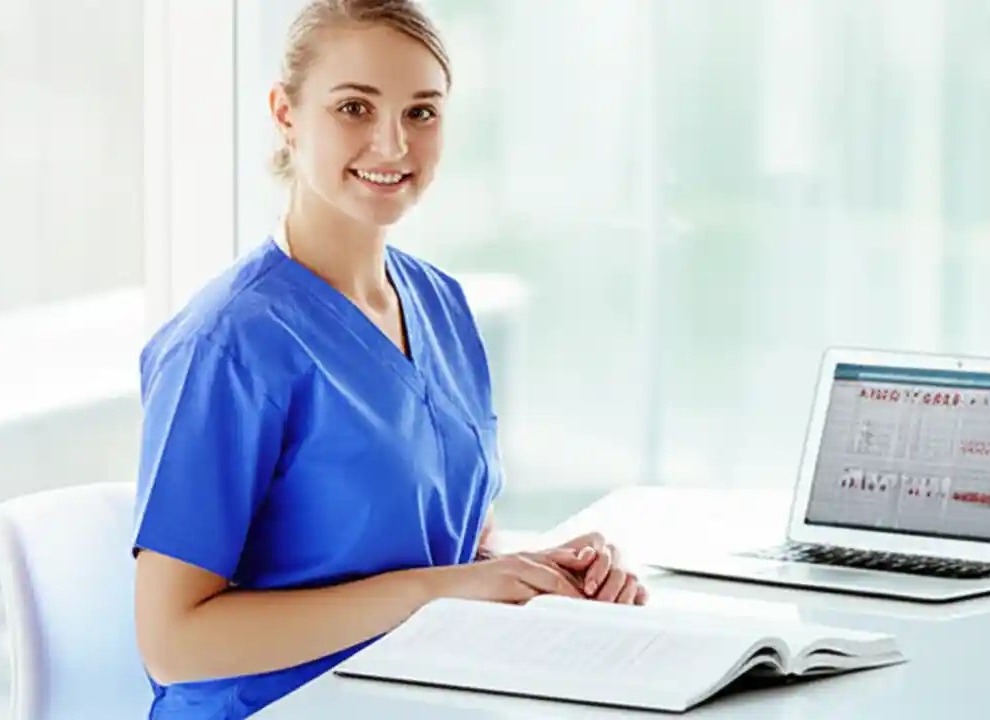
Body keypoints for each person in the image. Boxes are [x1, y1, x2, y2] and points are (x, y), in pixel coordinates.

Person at [131, 1, 646, 717]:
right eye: (353, 108)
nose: (393, 145)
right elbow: (173, 643)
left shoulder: (441, 304)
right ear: (286, 114)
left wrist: (537, 573)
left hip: (430, 688)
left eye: (421, 113)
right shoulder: (229, 344)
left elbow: (432, 552)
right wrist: (438, 592)